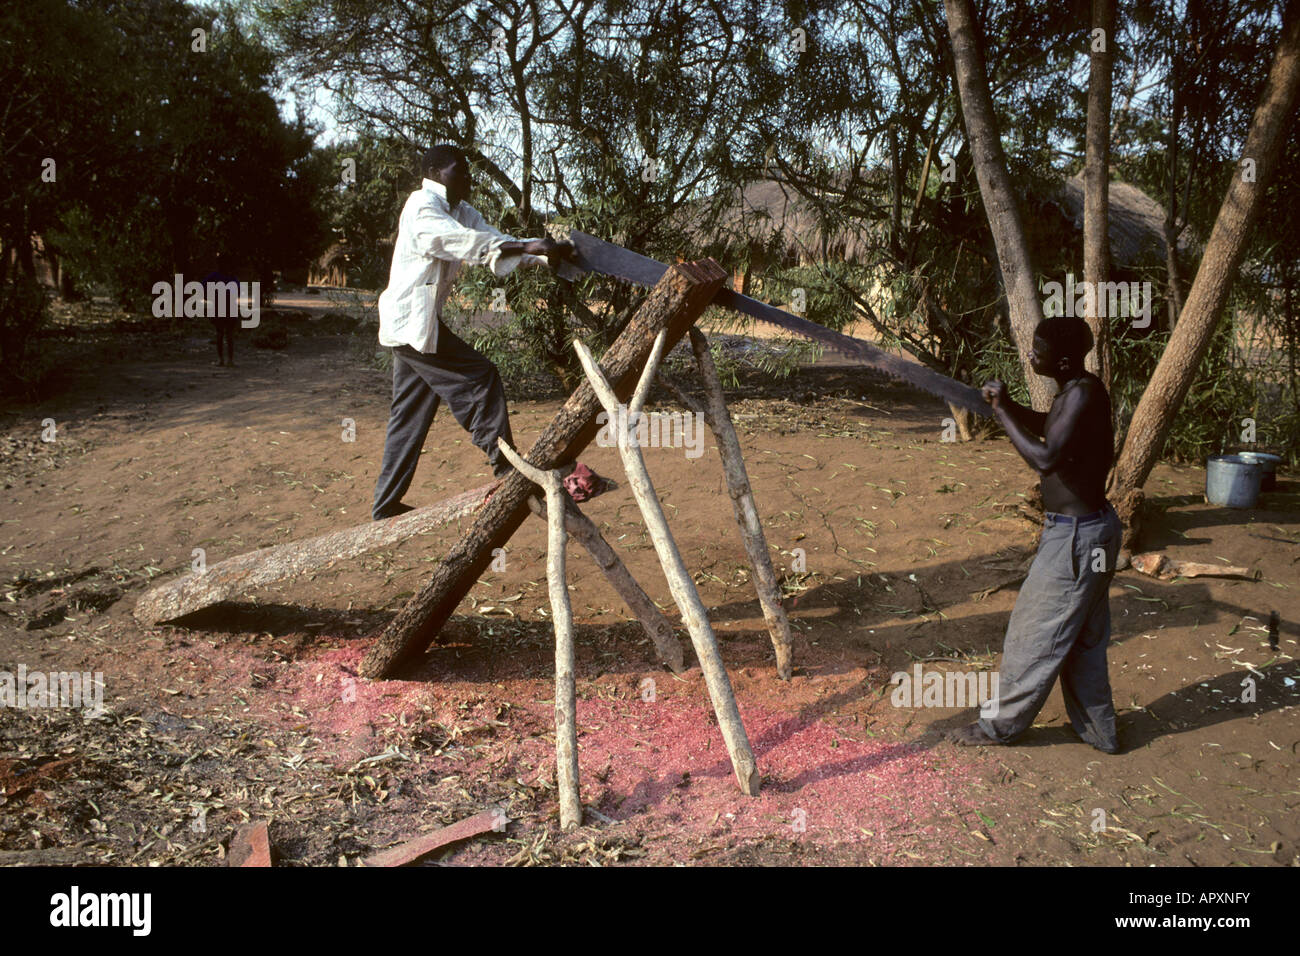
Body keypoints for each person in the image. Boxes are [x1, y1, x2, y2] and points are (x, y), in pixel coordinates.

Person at [946, 316, 1123, 753]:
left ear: (1061, 360)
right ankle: (1100, 732)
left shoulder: (1083, 395)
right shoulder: (1078, 389)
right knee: (1082, 639)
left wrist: (1003, 412)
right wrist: (1005, 405)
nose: (1030, 355)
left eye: (1038, 351)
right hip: (1088, 534)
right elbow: (1050, 426)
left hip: (1078, 540)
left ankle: (999, 727)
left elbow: (1045, 458)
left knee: (1034, 632)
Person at [372, 144, 573, 521]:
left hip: (419, 325)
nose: (468, 177)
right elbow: (461, 243)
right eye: (459, 170)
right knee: (481, 377)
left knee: (408, 417)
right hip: (410, 323)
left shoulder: (461, 211)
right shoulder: (421, 207)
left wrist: (544, 255)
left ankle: (385, 506)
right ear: (434, 171)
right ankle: (505, 467)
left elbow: (493, 242)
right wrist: (527, 244)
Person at [202, 253, 239, 367]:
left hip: (218, 307)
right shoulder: (232, 277)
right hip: (230, 307)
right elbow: (237, 292)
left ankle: (221, 359)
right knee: (229, 335)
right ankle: (230, 360)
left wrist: (208, 296)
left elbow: (201, 286)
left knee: (220, 333)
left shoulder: (214, 276)